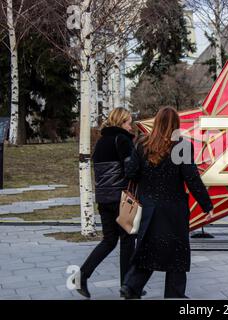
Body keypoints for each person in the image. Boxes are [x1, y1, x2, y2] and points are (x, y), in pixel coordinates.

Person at [120, 106, 214, 299]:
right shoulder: (182, 146)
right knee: (177, 252)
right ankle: (175, 294)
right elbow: (192, 178)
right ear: (175, 125)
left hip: (149, 207)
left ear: (156, 122)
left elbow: (130, 173)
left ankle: (131, 285)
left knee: (147, 247)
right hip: (174, 209)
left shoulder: (142, 144)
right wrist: (207, 205)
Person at [76, 107, 139, 299]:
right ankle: (127, 287)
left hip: (104, 199)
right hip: (122, 198)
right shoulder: (123, 140)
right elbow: (131, 170)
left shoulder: (101, 142)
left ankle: (82, 275)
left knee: (109, 240)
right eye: (128, 122)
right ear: (120, 123)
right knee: (128, 241)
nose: (131, 126)